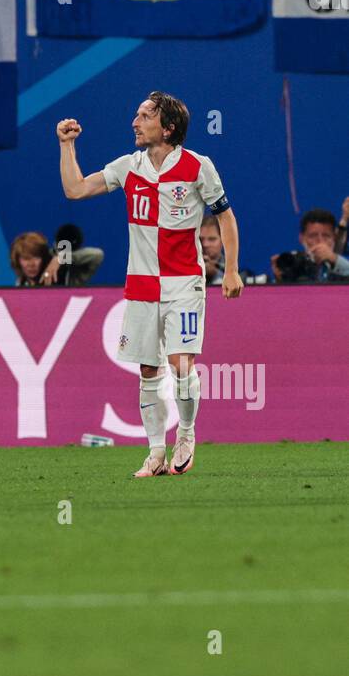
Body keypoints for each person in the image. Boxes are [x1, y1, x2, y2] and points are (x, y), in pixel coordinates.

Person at [56, 91, 243, 479]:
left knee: (181, 362)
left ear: (167, 127)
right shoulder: (129, 167)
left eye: (144, 116)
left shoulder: (197, 166)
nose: (135, 122)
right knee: (147, 369)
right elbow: (75, 190)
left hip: (184, 283)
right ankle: (155, 451)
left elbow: (224, 216)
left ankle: (186, 435)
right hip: (141, 284)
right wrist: (67, 145)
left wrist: (231, 270)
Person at [271, 208, 349, 282]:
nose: (320, 241)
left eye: (326, 236)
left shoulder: (342, 266)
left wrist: (334, 259)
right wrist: (280, 281)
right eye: (313, 236)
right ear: (301, 238)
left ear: (334, 238)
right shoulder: (294, 264)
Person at [41, 222, 105, 287]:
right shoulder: (45, 256)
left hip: (71, 295)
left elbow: (99, 254)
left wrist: (61, 258)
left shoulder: (80, 269)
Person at [200, 213, 225, 286]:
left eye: (211, 239)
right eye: (200, 239)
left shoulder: (233, 269)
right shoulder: (184, 266)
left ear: (223, 241)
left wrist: (215, 274)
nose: (205, 244)